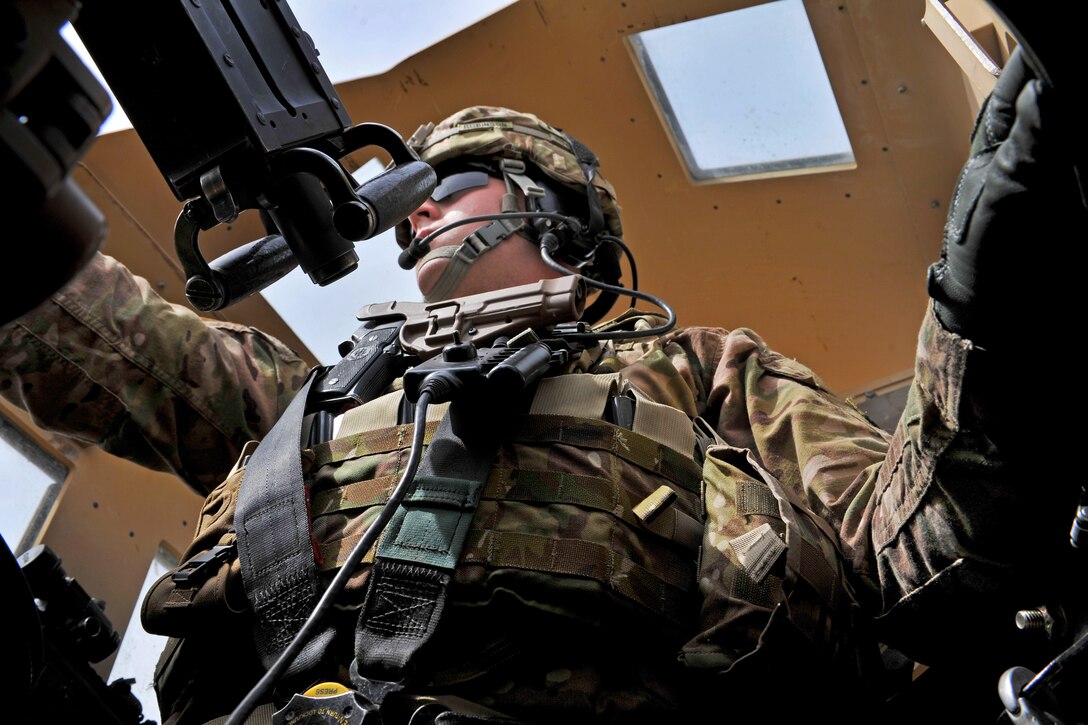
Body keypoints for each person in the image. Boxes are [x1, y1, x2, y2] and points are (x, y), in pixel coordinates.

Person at [1, 46, 1083, 724]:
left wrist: (991, 294)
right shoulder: (317, 404)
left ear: (543, 207)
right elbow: (94, 341)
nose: (412, 212)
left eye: (444, 183)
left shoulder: (696, 372)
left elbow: (916, 553)